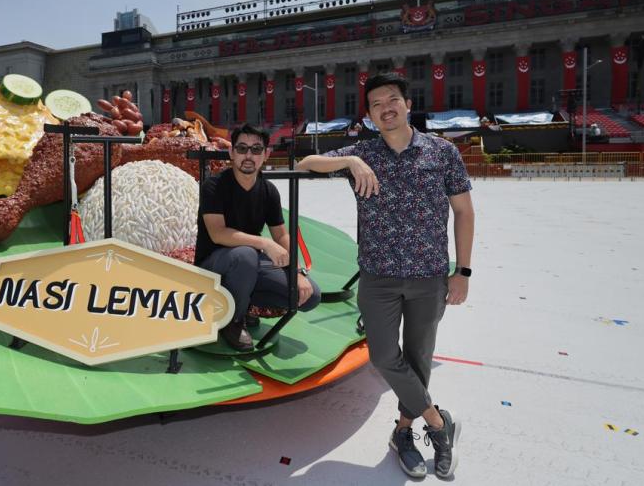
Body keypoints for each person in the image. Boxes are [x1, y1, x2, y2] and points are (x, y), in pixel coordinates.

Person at [296, 72, 475, 479]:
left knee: (417, 359)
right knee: (383, 356)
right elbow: (304, 162)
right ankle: (439, 423)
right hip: (377, 278)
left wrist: (462, 270)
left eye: (392, 99)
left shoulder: (442, 152)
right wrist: (350, 159)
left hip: (429, 276)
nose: (386, 108)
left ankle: (403, 432)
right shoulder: (364, 153)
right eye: (376, 104)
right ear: (369, 115)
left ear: (408, 104)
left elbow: (463, 212)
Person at [195, 123, 321, 352]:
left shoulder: (269, 191)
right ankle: (232, 320)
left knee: (308, 295)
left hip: (248, 264)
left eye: (256, 149)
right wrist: (263, 243)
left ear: (266, 154)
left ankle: (243, 301)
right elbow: (218, 233)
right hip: (214, 265)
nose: (248, 155)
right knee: (245, 255)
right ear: (232, 153)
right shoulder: (214, 185)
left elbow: (281, 234)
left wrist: (297, 272)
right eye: (242, 149)